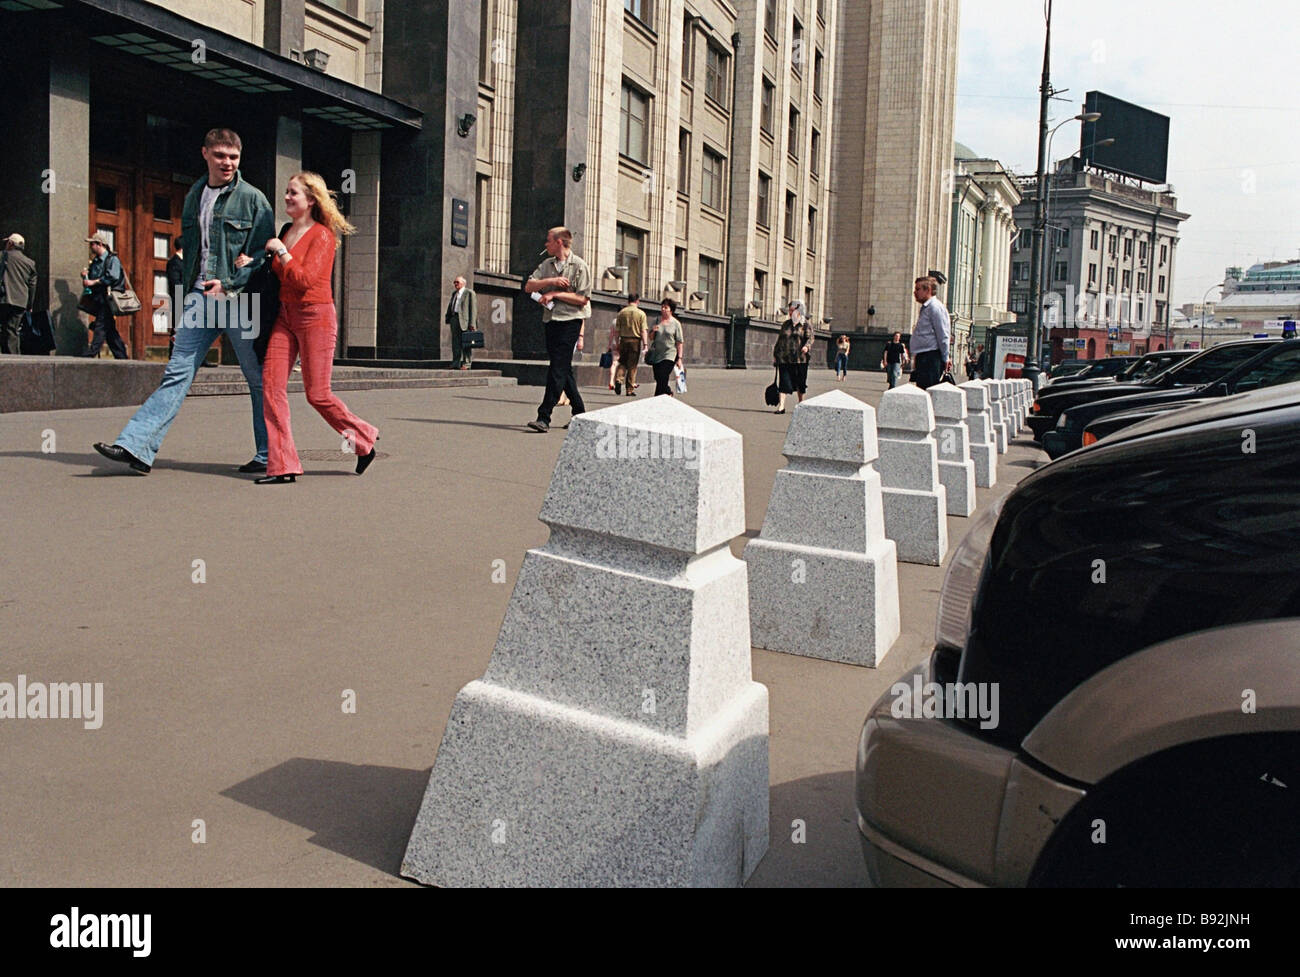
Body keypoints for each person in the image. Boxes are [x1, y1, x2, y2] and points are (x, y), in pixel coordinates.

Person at [93, 127, 275, 475]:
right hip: (197, 296)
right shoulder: (194, 194)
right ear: (205, 153)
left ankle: (269, 454)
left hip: (239, 300)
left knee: (257, 378)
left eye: (234, 157)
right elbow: (192, 252)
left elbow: (262, 255)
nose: (227, 163)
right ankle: (136, 447)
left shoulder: (253, 199)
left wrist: (232, 281)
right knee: (177, 373)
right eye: (220, 156)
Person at [251, 172, 379, 484]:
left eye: (293, 193)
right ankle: (283, 466)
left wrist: (281, 252)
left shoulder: (321, 236)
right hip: (285, 315)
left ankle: (363, 440)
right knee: (271, 385)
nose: (286, 198)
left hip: (316, 317)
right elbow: (279, 277)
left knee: (317, 394)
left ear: (311, 200)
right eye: (286, 192)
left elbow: (305, 280)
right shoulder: (287, 231)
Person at [524, 226, 591, 433]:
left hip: (571, 321)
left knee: (557, 368)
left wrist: (555, 294)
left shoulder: (579, 266)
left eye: (548, 240)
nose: (546, 244)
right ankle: (580, 413)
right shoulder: (547, 264)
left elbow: (582, 298)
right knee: (562, 368)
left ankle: (544, 417)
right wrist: (551, 281)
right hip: (552, 320)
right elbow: (529, 286)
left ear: (559, 242)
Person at [80, 233, 129, 359]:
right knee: (109, 329)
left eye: (92, 244)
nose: (90, 246)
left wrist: (94, 281)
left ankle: (92, 352)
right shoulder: (95, 261)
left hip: (109, 298)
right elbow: (92, 278)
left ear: (100, 244)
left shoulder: (112, 259)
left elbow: (113, 277)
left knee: (101, 325)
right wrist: (86, 276)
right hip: (99, 298)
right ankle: (121, 355)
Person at [772, 300, 813, 412]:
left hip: (800, 359)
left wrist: (806, 346)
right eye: (789, 310)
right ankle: (781, 406)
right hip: (784, 358)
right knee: (784, 381)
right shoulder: (786, 324)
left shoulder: (805, 325)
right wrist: (775, 354)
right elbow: (780, 340)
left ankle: (801, 403)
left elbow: (810, 338)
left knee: (800, 383)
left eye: (792, 310)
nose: (790, 313)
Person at [0, 233, 38, 355]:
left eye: (7, 242)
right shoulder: (30, 263)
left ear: (10, 244)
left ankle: (10, 359)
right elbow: (32, 285)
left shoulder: (2, 256)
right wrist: (30, 305)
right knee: (12, 330)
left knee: (6, 330)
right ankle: (14, 359)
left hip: (4, 298)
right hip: (21, 302)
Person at [612, 292, 648, 395]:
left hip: (623, 340)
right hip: (635, 341)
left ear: (628, 301)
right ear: (637, 301)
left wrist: (617, 342)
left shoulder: (621, 313)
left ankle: (618, 380)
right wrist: (645, 345)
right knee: (632, 365)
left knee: (622, 362)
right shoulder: (641, 314)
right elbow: (643, 330)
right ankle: (629, 389)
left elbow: (617, 330)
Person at [647, 297, 684, 396]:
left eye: (666, 307)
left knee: (663, 375)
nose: (663, 309)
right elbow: (651, 338)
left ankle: (658, 397)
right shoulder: (656, 320)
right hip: (657, 354)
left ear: (671, 310)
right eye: (662, 307)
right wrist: (653, 331)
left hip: (669, 354)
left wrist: (679, 358)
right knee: (658, 377)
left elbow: (679, 342)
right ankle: (667, 391)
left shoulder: (676, 324)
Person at [445, 274, 477, 370]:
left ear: (463, 283)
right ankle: (456, 363)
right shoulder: (454, 294)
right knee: (455, 343)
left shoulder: (469, 293)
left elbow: (473, 309)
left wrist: (472, 323)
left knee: (466, 343)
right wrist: (449, 317)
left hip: (465, 321)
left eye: (457, 282)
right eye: (454, 282)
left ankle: (467, 364)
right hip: (454, 319)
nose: (455, 284)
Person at [165, 236, 184, 359]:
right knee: (177, 328)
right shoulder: (174, 262)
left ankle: (200, 358)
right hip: (178, 300)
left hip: (188, 299)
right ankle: (173, 355)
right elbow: (175, 283)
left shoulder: (185, 262)